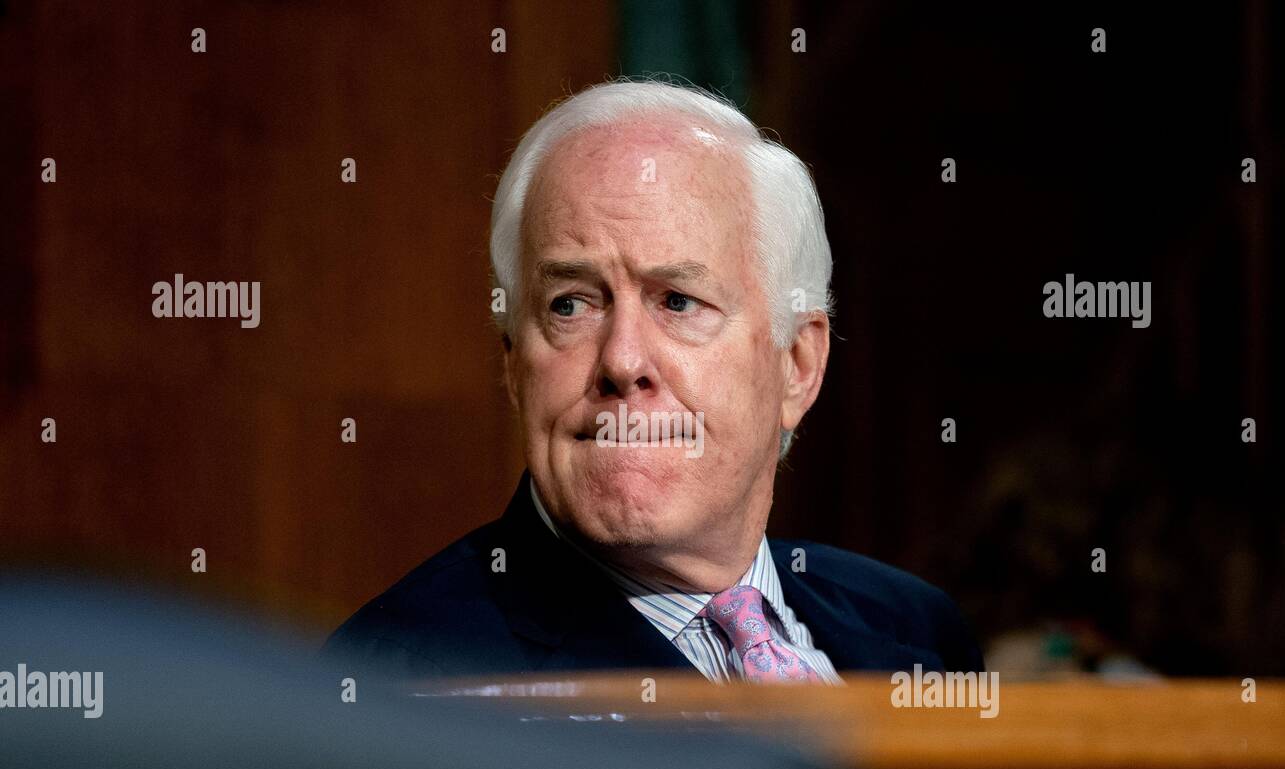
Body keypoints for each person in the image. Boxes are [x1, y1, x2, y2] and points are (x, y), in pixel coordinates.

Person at [324, 79, 983, 684]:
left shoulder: (918, 630)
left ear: (797, 367)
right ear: (514, 366)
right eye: (571, 304)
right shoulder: (398, 683)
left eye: (677, 301)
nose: (622, 360)